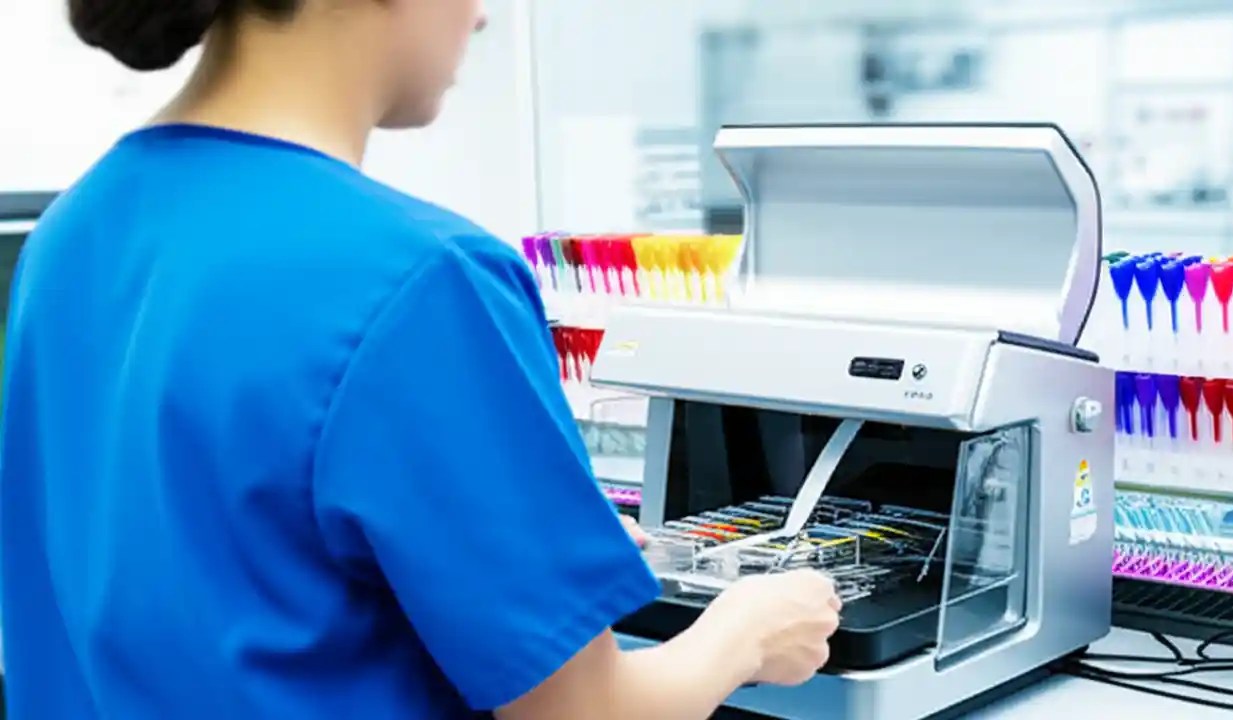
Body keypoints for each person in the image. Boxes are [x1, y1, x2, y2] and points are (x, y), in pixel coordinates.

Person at [0, 1, 842, 718]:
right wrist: (748, 632)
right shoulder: (420, 277)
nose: (482, 15)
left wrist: (530, 549)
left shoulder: (71, 232)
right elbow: (586, 710)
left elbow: (210, 554)